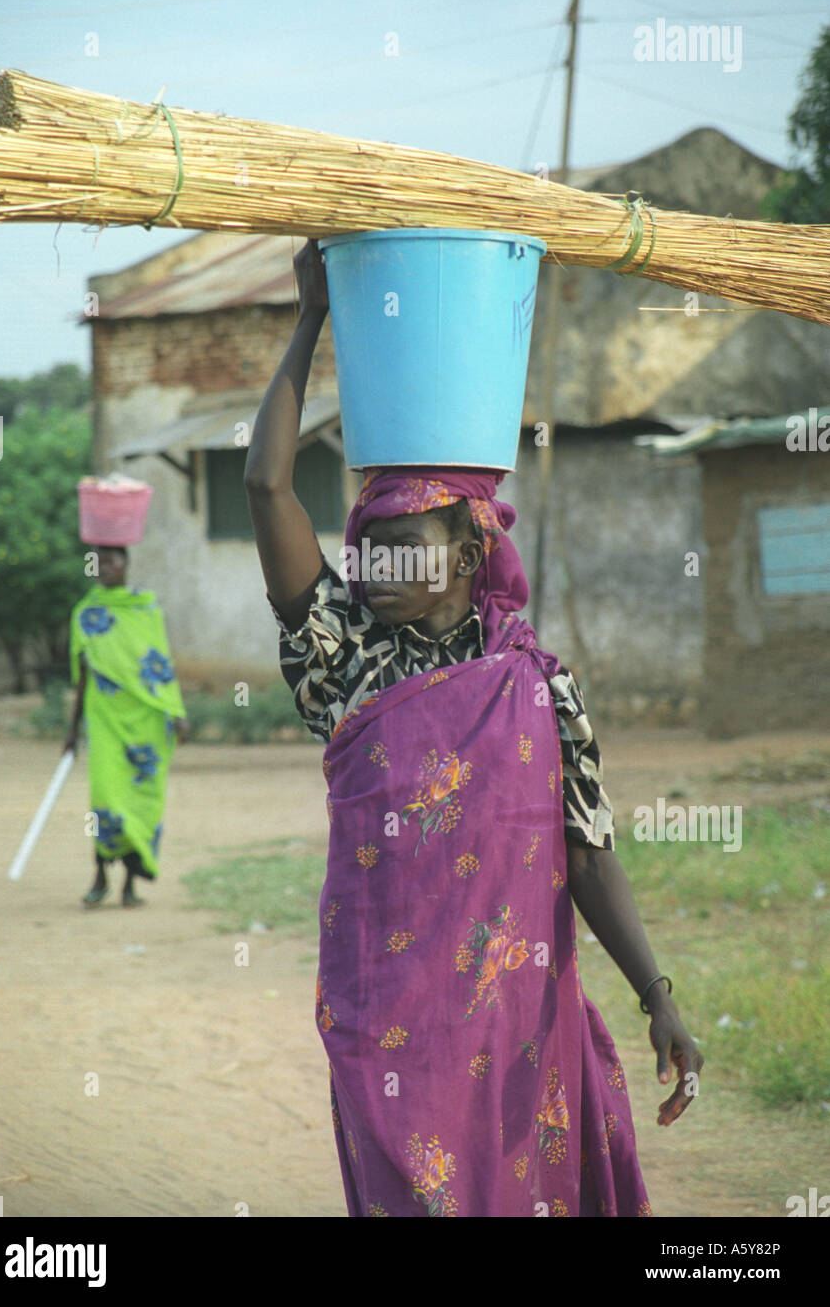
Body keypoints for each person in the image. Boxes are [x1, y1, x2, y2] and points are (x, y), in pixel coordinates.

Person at [244, 240, 703, 1218]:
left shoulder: (539, 687)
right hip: (386, 1025)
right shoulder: (345, 661)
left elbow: (585, 853)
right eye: (363, 547)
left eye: (400, 547)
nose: (371, 567)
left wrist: (655, 992)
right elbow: (264, 487)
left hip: (515, 1024)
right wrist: (312, 320)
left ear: (467, 552)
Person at [65, 545, 189, 909]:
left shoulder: (146, 609)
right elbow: (84, 675)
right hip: (104, 721)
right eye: (98, 562)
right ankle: (100, 875)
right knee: (104, 800)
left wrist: (177, 712)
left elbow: (161, 664)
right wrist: (72, 731)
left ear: (126, 564)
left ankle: (131, 885)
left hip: (147, 722)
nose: (105, 567)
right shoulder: (86, 614)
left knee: (141, 802)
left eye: (112, 560)